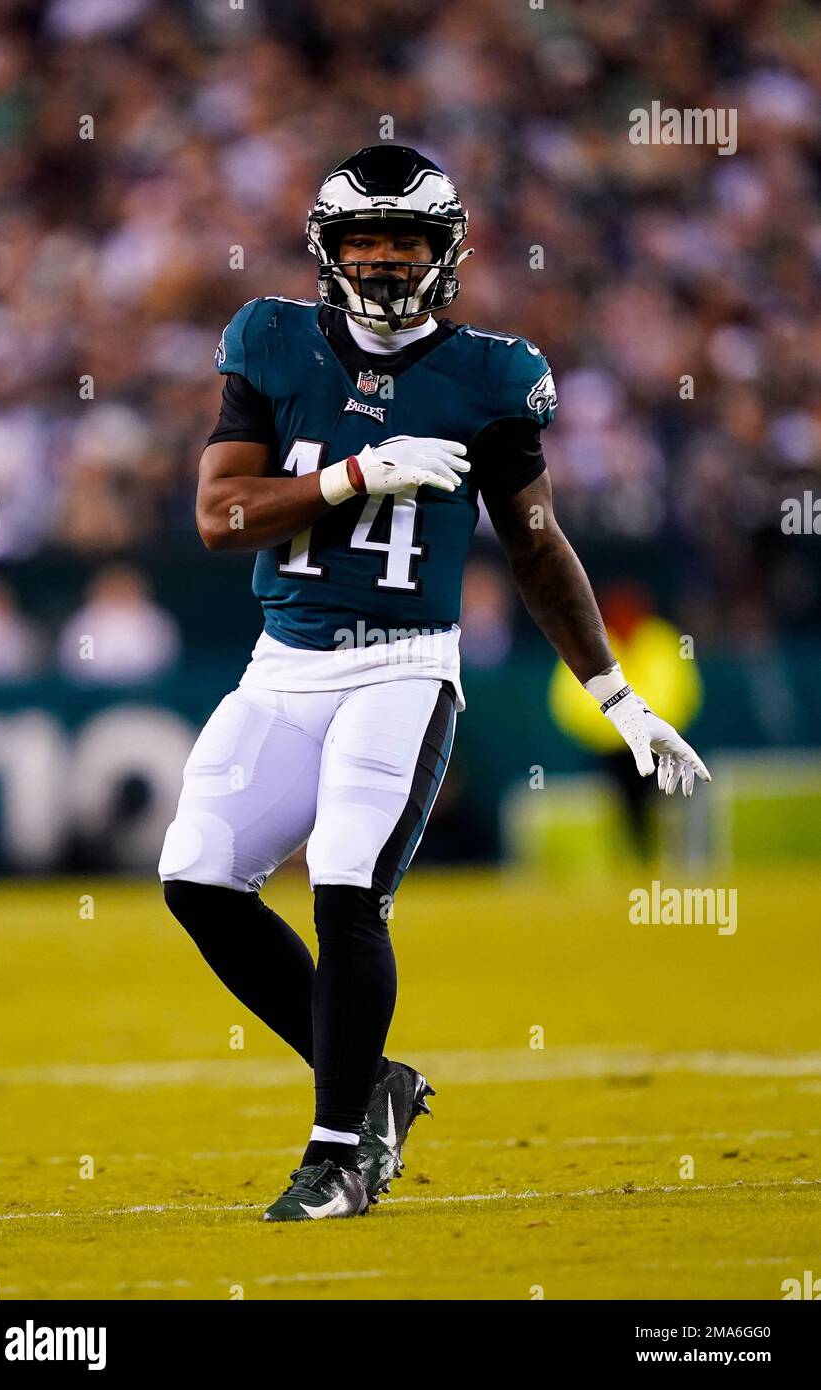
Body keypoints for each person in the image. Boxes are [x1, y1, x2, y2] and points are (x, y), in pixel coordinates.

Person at [159, 144, 710, 1222]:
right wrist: (350, 475)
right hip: (283, 665)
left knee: (345, 882)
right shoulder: (268, 339)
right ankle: (375, 1090)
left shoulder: (493, 375)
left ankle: (338, 1152)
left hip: (403, 664)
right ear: (325, 249)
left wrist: (614, 693)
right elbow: (218, 516)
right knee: (196, 877)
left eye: (401, 238)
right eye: (359, 238)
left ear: (444, 249)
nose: (378, 257)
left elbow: (538, 547)